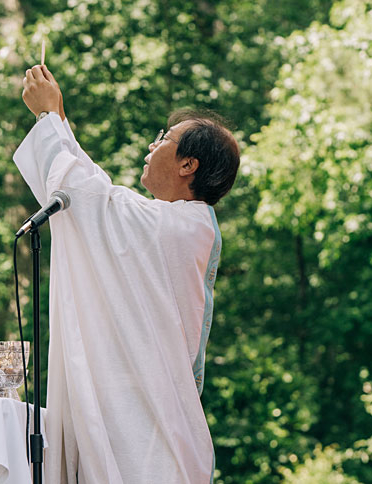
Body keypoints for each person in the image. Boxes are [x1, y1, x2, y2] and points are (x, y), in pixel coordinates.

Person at [13, 64, 239, 484]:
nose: (151, 147)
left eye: (163, 140)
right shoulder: (174, 223)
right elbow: (94, 196)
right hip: (140, 419)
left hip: (149, 432)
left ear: (188, 164)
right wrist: (57, 119)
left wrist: (48, 119)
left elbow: (91, 199)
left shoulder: (182, 228)